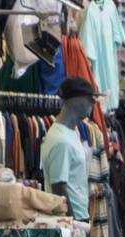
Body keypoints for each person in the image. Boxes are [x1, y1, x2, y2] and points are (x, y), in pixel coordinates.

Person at [40, 77, 95, 221]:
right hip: (73, 219)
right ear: (75, 100)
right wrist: (72, 225)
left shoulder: (70, 131)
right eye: (90, 98)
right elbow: (59, 187)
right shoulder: (62, 141)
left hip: (77, 215)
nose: (93, 103)